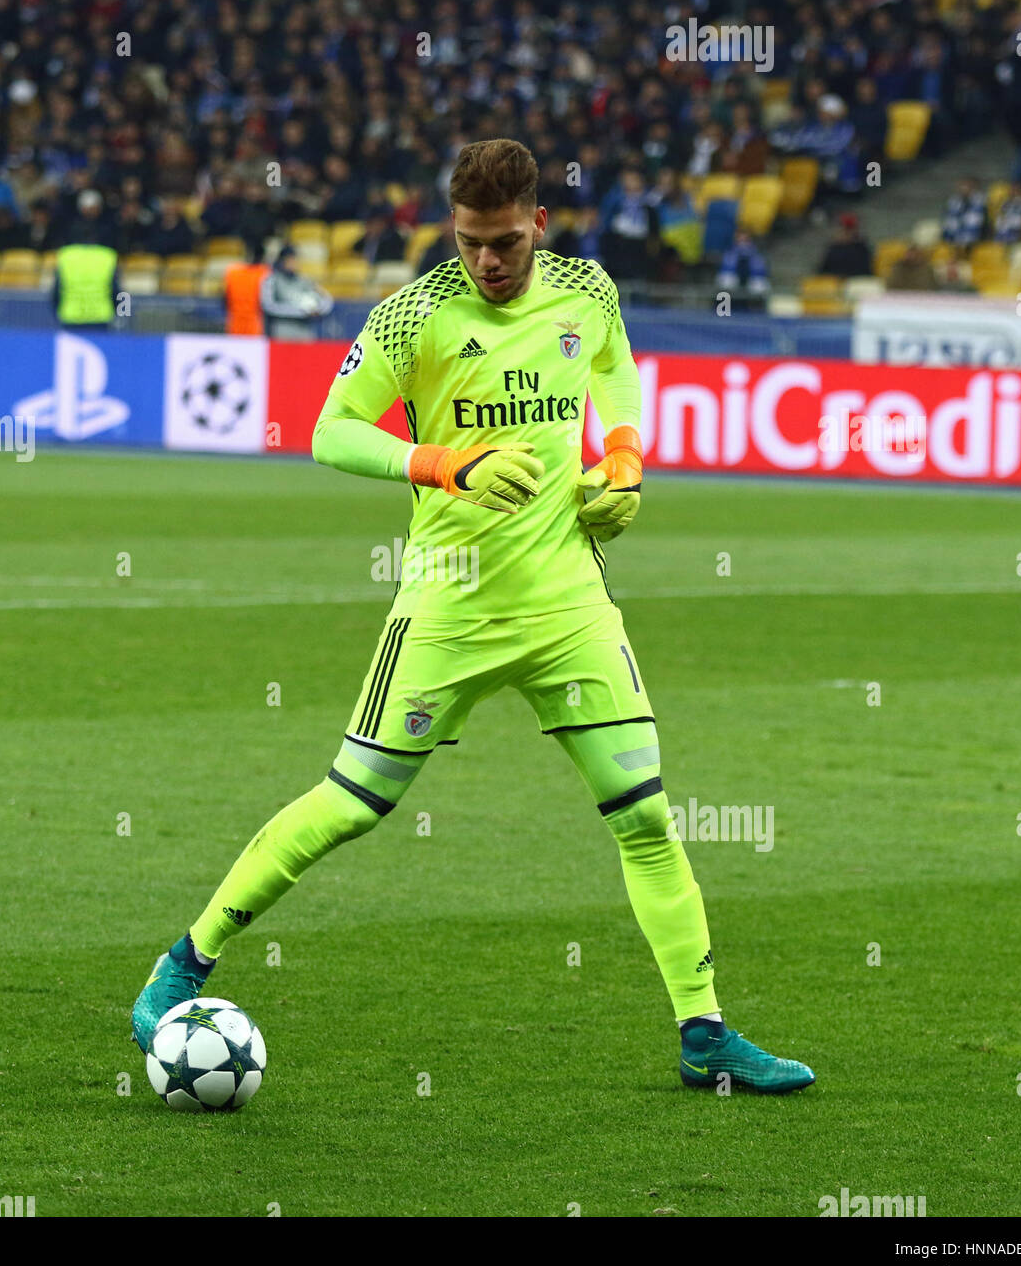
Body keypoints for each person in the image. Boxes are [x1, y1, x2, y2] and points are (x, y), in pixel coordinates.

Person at [131, 137, 816, 1096]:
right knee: (350, 806)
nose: (487, 262)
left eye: (503, 242)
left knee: (647, 816)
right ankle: (185, 962)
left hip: (568, 601)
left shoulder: (588, 291)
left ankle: (704, 1034)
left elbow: (616, 370)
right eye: (468, 243)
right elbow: (329, 430)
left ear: (539, 223)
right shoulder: (415, 313)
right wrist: (445, 463)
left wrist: (622, 459)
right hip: (447, 598)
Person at [52, 190, 120, 327]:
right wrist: (123, 316)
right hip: (101, 318)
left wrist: (58, 312)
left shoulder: (65, 255)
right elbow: (119, 291)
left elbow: (56, 291)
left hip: (70, 317)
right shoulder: (108, 256)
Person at [259, 244, 333, 340]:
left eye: (295, 260)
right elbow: (268, 306)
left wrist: (317, 310)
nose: (293, 263)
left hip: (304, 332)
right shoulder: (272, 280)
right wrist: (300, 311)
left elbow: (327, 303)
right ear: (282, 261)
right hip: (282, 332)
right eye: (290, 260)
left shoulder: (305, 281)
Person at [222, 240, 269, 336]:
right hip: (254, 324)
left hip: (234, 323)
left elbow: (225, 299)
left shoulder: (232, 272)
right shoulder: (264, 272)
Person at [817, 212, 873, 277]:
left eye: (849, 229)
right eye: (843, 229)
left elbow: (864, 272)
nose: (845, 232)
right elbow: (821, 272)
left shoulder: (861, 248)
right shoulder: (833, 249)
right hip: (832, 283)